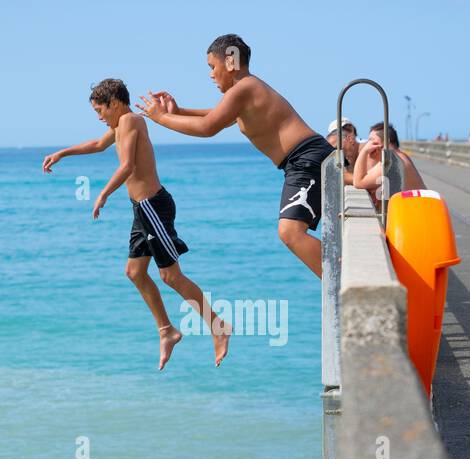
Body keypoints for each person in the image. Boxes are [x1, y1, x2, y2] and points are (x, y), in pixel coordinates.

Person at [44, 78, 230, 369]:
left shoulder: (130, 120)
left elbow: (128, 165)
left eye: (100, 110)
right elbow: (96, 144)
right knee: (134, 272)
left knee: (171, 276)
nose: (99, 116)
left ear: (114, 103)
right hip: (141, 210)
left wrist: (103, 194)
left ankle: (218, 326)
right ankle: (167, 330)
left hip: (153, 207)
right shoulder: (118, 126)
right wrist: (62, 153)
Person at [136, 34, 332, 278]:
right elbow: (218, 115)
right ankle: (341, 281)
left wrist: (160, 117)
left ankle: (344, 282)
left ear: (230, 62)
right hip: (303, 161)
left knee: (290, 232)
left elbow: (209, 127)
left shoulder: (244, 88)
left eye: (211, 67)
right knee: (290, 232)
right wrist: (179, 111)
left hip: (306, 160)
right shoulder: (245, 90)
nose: (210, 74)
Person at [352, 123, 428, 203]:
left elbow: (358, 182)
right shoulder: (398, 156)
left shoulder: (393, 161)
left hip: (419, 211)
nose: (368, 145)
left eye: (372, 141)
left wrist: (364, 151)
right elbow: (364, 176)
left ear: (386, 142)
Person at [326, 117, 360, 184]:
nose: (349, 133)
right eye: (342, 130)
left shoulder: (369, 148)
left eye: (349, 129)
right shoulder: (333, 158)